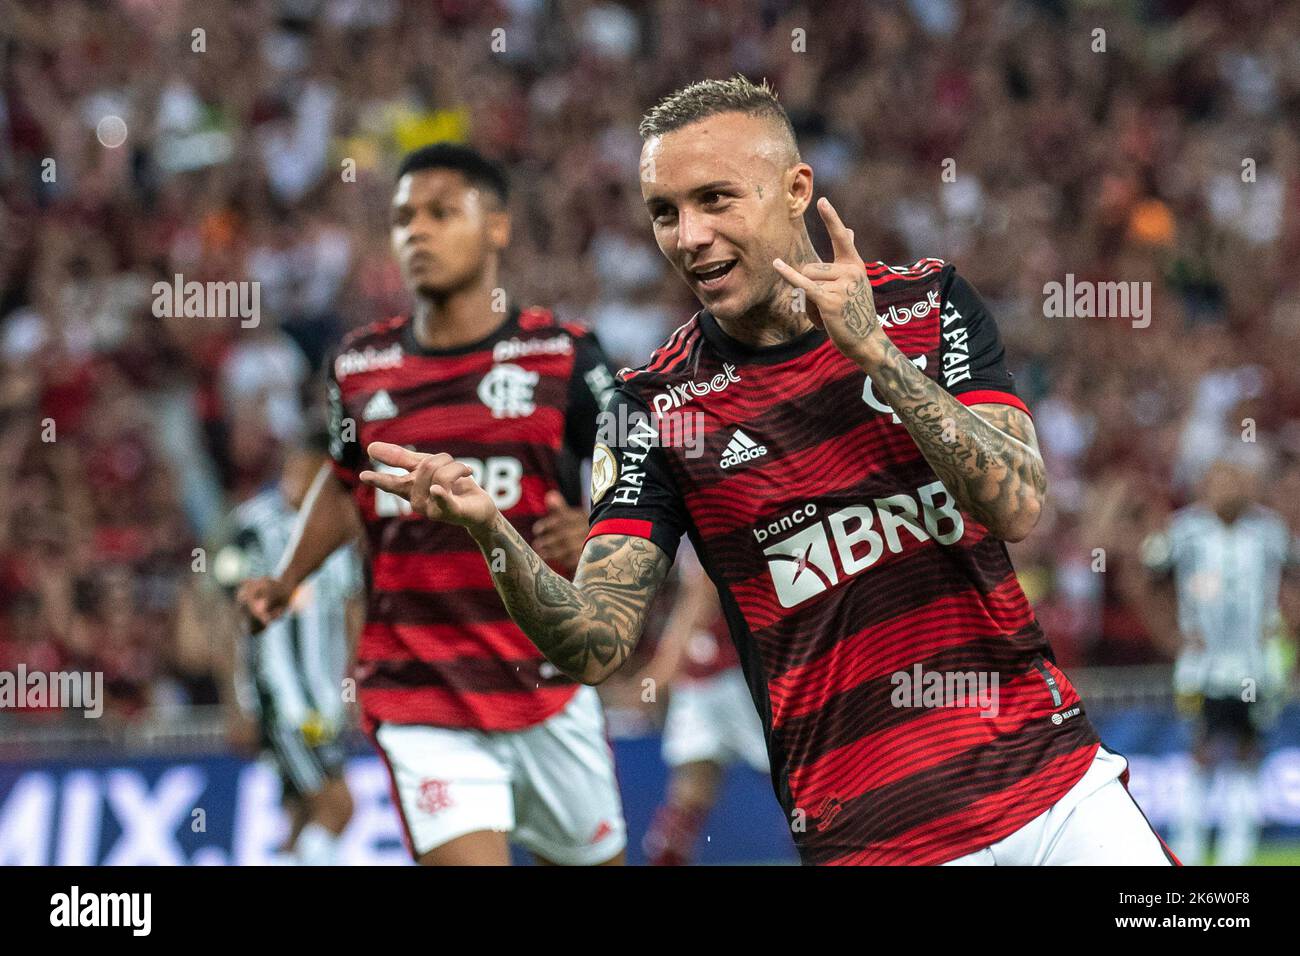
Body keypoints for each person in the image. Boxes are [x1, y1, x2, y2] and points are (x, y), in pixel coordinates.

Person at [360, 78, 1176, 865]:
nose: (689, 236)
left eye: (716, 199)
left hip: (1056, 784)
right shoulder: (650, 406)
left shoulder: (927, 304)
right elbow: (598, 644)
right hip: (877, 836)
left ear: (795, 190)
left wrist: (875, 355)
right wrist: (490, 531)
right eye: (665, 213)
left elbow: (1017, 503)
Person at [241, 143, 626, 866]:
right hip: (421, 688)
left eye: (442, 212)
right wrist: (287, 576)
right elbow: (343, 476)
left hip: (546, 677)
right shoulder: (359, 367)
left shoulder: (566, 354)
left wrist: (602, 527)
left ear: (498, 227)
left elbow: (632, 459)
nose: (416, 230)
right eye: (403, 218)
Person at [1142, 454, 1297, 865]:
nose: (1231, 489)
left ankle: (1237, 854)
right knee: (1200, 751)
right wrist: (1170, 635)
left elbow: (1293, 575)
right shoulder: (1185, 530)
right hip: (1202, 666)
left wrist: (1284, 628)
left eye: (1238, 481)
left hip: (1254, 665)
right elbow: (1149, 575)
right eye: (1222, 480)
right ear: (1206, 486)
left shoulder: (1269, 531)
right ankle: (1188, 851)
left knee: (1249, 753)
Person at [217, 434, 363, 866]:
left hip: (323, 702)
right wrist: (235, 701)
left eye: (304, 474)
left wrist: (353, 684)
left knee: (299, 816)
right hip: (281, 699)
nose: (291, 483)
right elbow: (227, 615)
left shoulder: (340, 532)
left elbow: (350, 610)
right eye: (289, 471)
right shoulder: (253, 527)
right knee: (339, 806)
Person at [636, 548, 769, 865]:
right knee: (690, 791)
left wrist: (663, 668)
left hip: (740, 671)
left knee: (798, 787)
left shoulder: (707, 513)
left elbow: (701, 591)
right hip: (706, 674)